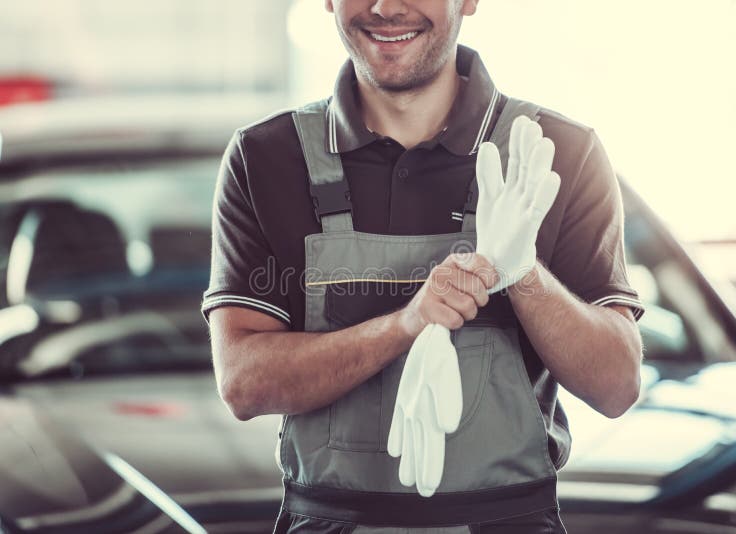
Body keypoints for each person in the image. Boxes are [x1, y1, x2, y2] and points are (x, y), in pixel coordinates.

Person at [203, 0, 645, 532]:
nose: (387, 7)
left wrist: (523, 272)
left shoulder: (558, 155)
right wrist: (406, 324)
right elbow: (244, 383)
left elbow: (616, 385)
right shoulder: (265, 157)